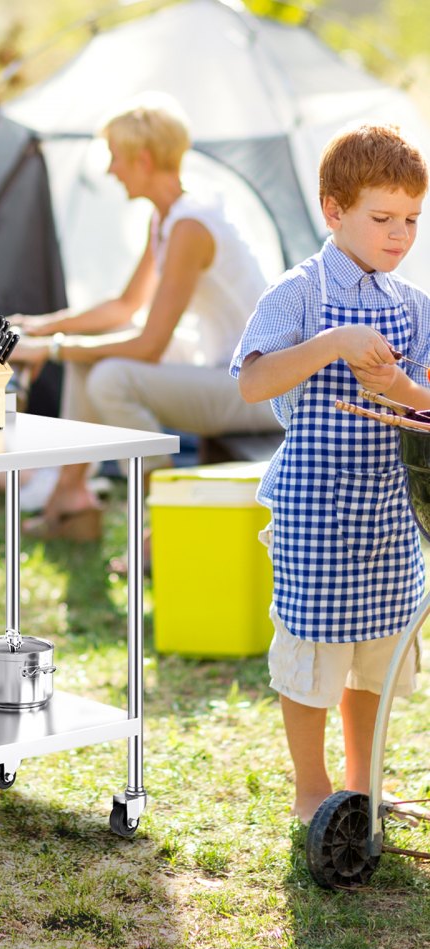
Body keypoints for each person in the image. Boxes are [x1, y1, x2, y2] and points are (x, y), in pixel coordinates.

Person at [231, 123, 430, 823]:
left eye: (411, 219)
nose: (400, 235)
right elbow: (252, 383)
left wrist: (406, 395)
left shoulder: (414, 306)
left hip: (390, 514)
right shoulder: (300, 292)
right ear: (334, 210)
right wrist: (332, 344)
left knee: (377, 655)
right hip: (316, 510)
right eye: (382, 219)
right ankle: (312, 790)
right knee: (314, 657)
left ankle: (363, 780)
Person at [8, 94, 280, 540]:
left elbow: (149, 343)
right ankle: (71, 493)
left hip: (255, 387)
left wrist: (48, 348)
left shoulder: (191, 227)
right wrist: (45, 325)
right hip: (223, 370)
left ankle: (165, 526)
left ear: (144, 159)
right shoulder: (169, 218)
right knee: (90, 358)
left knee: (111, 378)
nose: (111, 170)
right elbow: (124, 307)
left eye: (115, 157)